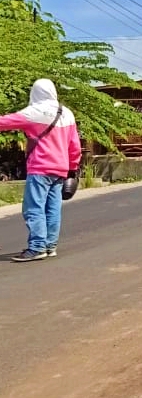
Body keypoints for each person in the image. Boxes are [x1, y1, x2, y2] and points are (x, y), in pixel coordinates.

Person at [0, 79, 81, 262]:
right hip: (60, 169)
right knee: (53, 209)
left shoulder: (34, 112)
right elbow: (75, 145)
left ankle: (37, 247)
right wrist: (72, 167)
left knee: (34, 208)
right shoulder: (67, 113)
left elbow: (4, 122)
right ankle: (50, 246)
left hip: (40, 169)